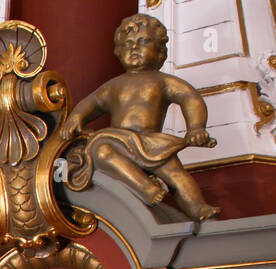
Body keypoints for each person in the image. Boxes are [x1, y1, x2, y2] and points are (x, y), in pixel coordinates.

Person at [59, 13, 220, 221]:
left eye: (143, 41)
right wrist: (74, 119)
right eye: (127, 44)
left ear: (160, 50)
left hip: (151, 142)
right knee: (100, 151)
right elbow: (90, 104)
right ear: (118, 51)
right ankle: (146, 187)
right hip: (118, 141)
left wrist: (196, 127)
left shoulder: (162, 81)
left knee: (175, 174)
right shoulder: (114, 85)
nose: (134, 48)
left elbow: (190, 98)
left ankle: (198, 208)